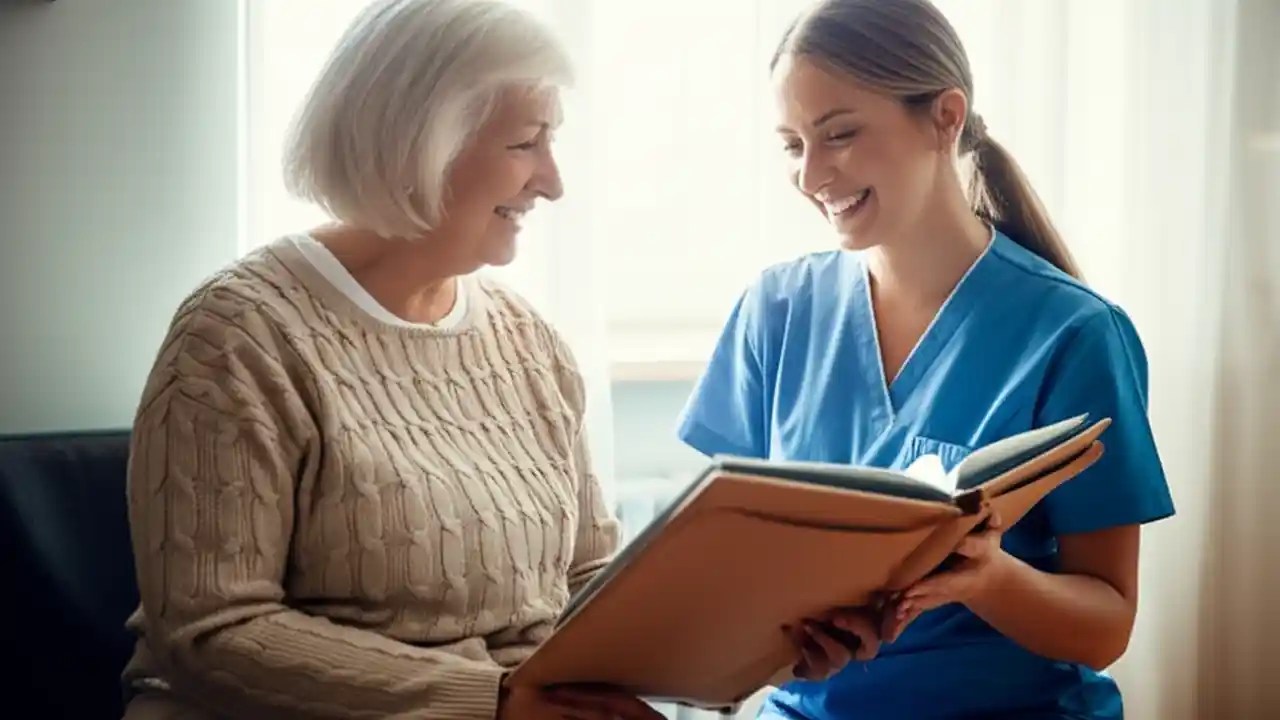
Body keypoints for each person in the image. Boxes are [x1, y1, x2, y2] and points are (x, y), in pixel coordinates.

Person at [119, 1, 679, 718]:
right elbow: (213, 630)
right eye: (525, 144)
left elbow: (585, 579)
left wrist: (753, 641)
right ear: (419, 145)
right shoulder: (238, 334)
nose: (552, 181)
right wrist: (492, 702)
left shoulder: (530, 342)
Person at [676, 1, 1177, 718]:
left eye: (840, 134)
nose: (811, 175)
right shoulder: (775, 311)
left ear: (945, 117)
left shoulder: (1075, 335)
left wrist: (987, 578)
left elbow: (1105, 626)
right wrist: (784, 636)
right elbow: (720, 568)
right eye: (791, 145)